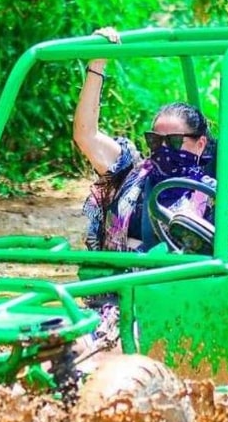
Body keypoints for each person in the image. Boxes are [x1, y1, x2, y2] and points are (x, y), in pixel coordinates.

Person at [74, 27, 216, 253]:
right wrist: (98, 63)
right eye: (155, 140)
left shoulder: (211, 196)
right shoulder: (131, 174)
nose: (164, 149)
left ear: (200, 144)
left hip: (174, 286)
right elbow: (86, 135)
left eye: (175, 141)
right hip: (117, 285)